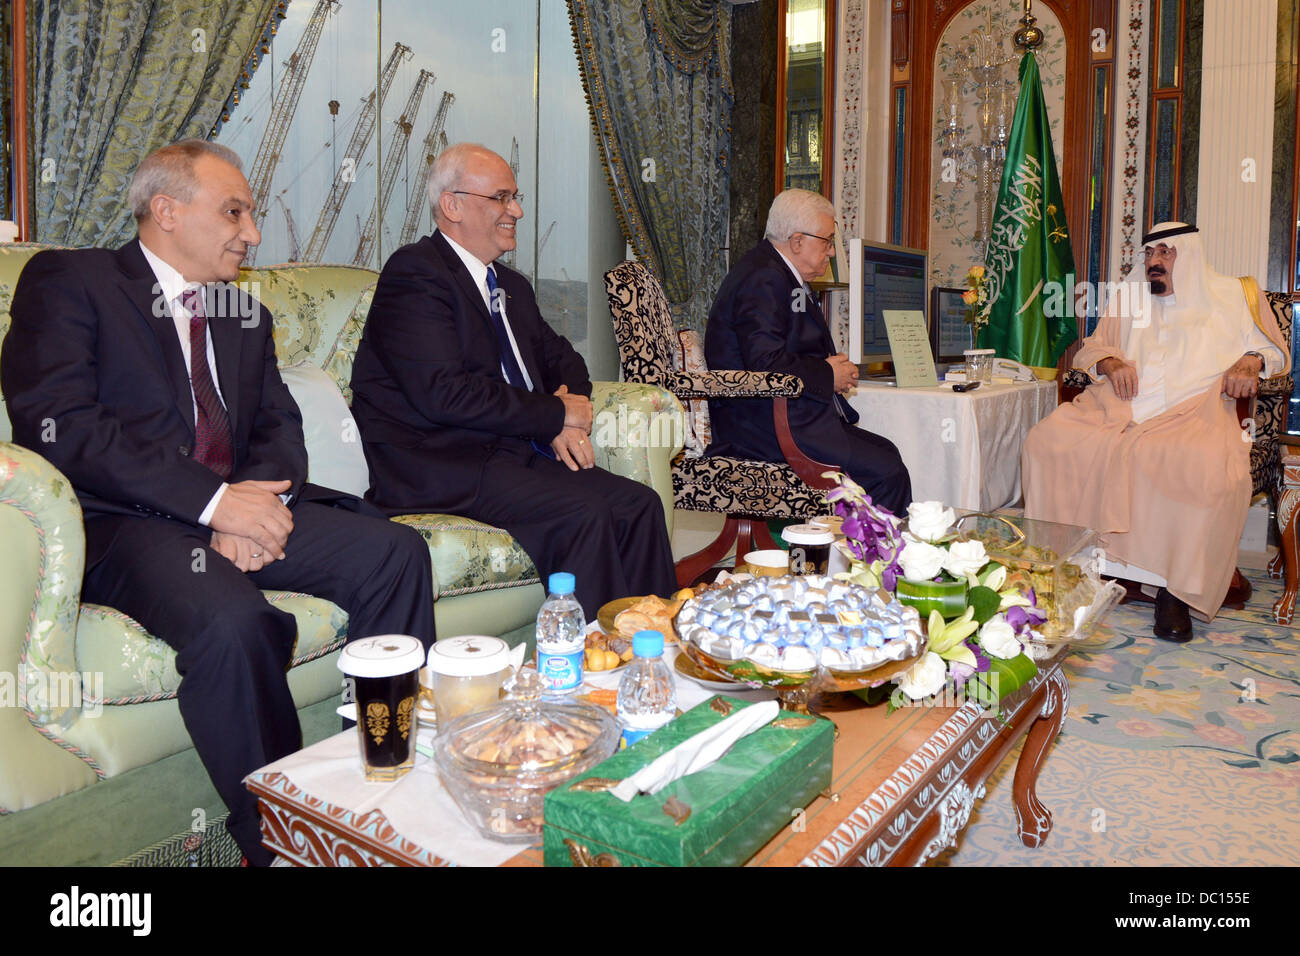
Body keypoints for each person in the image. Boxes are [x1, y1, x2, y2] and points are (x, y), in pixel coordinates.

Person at [0, 140, 436, 865]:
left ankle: (383, 776)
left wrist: (251, 507)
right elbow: (63, 427)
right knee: (235, 622)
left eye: (251, 214)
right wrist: (212, 506)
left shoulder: (243, 313)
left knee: (394, 555)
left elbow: (276, 426)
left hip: (233, 513)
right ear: (166, 210)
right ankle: (287, 841)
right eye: (235, 211)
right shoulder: (72, 282)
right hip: (123, 524)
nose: (253, 233)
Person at [349, 142, 676, 619]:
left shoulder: (511, 287)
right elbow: (444, 394)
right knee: (583, 513)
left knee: (638, 504)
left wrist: (570, 410)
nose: (516, 210)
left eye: (515, 197)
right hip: (435, 462)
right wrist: (555, 415)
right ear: (452, 205)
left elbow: (565, 360)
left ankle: (652, 648)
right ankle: (589, 669)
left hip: (507, 453)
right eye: (501, 198)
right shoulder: (416, 273)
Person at [1021, 222, 1289, 640]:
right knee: (1047, 442)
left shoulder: (1234, 295)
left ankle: (1174, 591)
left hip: (1197, 410)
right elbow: (1092, 348)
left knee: (1196, 464)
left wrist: (1250, 361)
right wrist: (1111, 362)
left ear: (1189, 253)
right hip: (1120, 407)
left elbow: (1273, 350)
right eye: (1149, 254)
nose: (1154, 261)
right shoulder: (1129, 297)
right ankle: (1066, 567)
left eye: (1166, 252)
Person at [704, 188, 912, 515]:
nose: (831, 252)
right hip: (761, 428)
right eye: (827, 241)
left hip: (790, 416)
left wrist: (831, 369)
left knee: (887, 454)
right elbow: (765, 365)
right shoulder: (764, 279)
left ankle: (853, 552)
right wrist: (828, 374)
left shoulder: (778, 273)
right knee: (886, 471)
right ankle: (871, 560)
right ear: (798, 241)